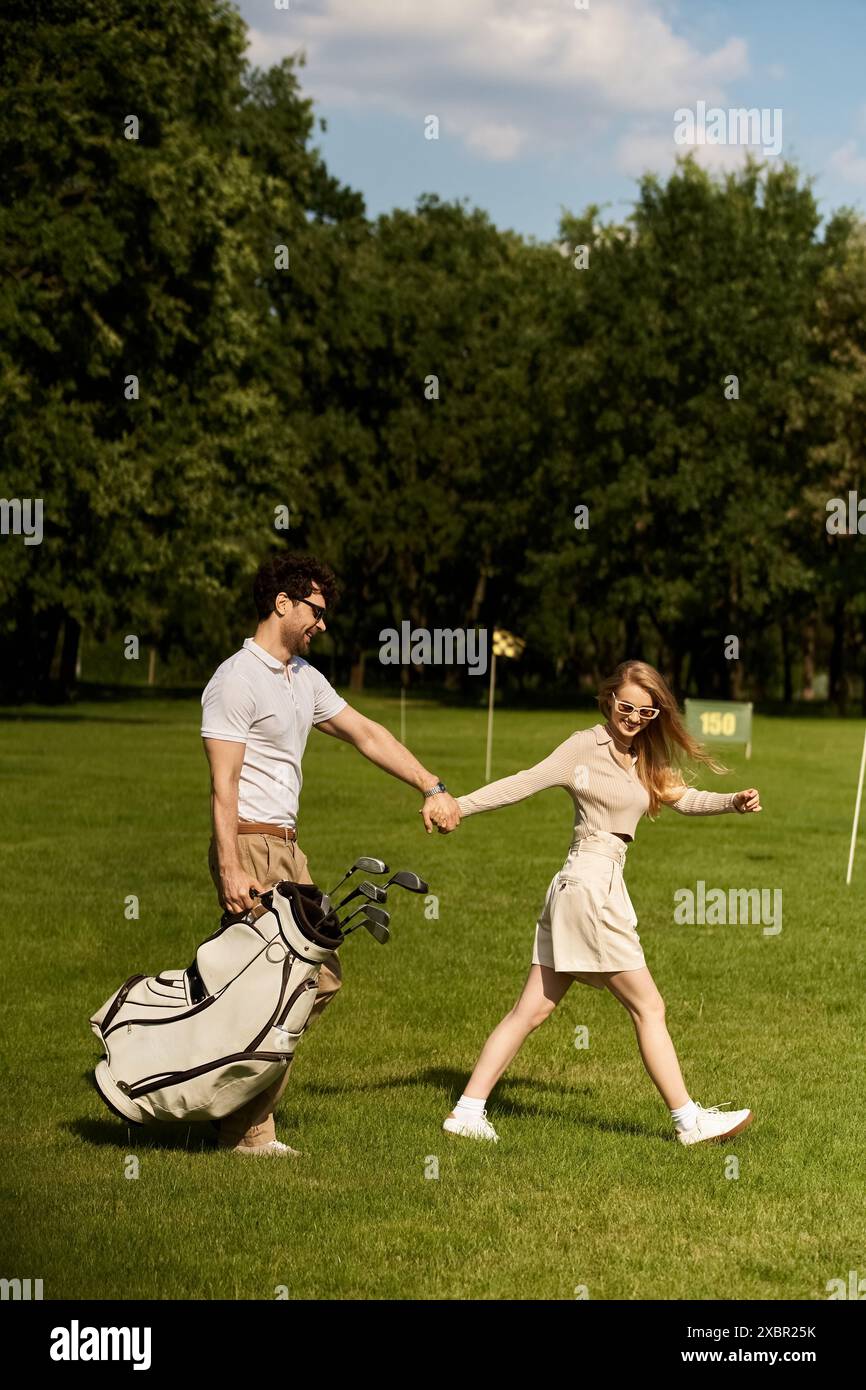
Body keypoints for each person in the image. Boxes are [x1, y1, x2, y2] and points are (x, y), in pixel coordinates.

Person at [435, 659, 760, 1147]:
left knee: (532, 1010)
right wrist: (458, 804)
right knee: (649, 1006)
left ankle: (466, 1111)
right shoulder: (583, 746)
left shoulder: (643, 757)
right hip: (589, 889)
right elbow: (525, 780)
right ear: (609, 698)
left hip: (584, 887)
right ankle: (689, 1122)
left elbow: (685, 799)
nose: (632, 717)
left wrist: (732, 800)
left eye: (645, 712)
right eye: (625, 706)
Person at [201, 553, 460, 1155]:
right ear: (282, 603)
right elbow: (224, 785)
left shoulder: (302, 679)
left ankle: (227, 1105)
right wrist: (231, 866)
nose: (322, 622)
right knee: (278, 987)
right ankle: (243, 1128)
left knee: (313, 981)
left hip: (288, 851)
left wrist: (431, 784)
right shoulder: (236, 679)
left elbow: (365, 733)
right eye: (316, 609)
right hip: (251, 844)